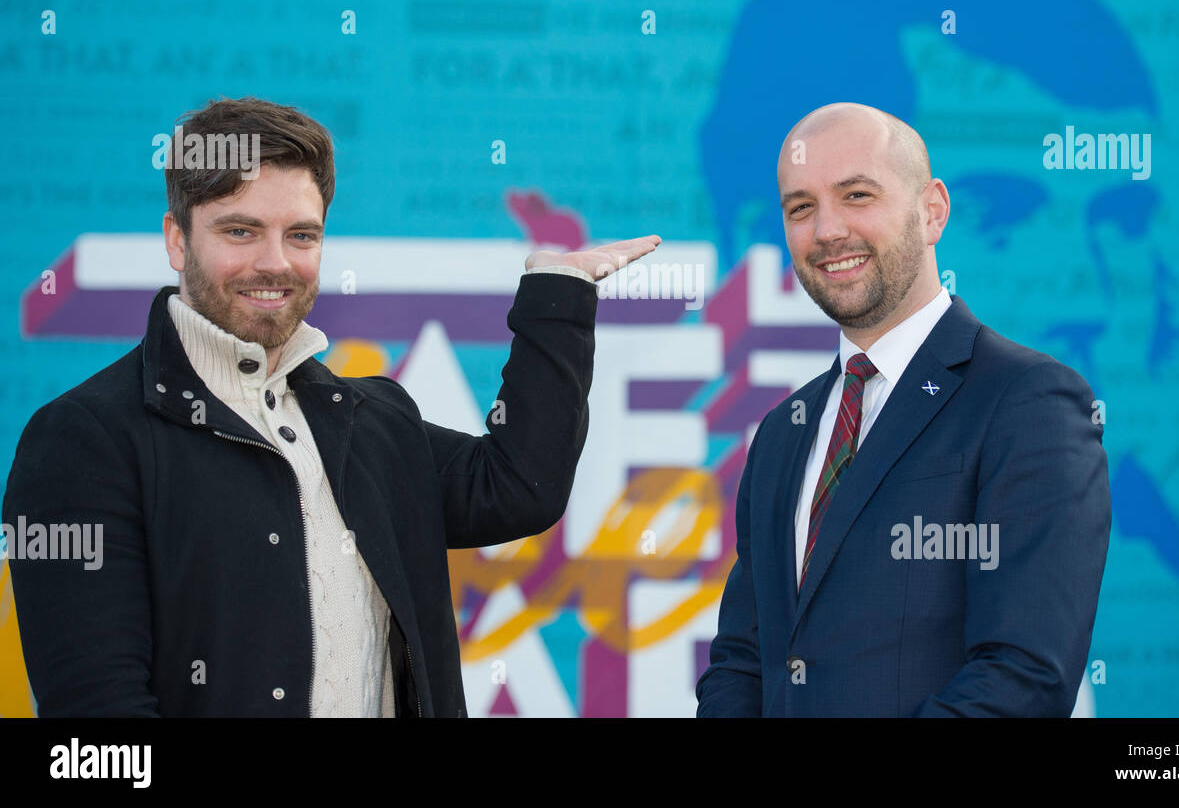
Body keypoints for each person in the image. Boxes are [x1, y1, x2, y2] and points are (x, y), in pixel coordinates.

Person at [2, 96, 659, 717]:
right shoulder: (84, 439)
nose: (275, 262)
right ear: (177, 240)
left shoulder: (371, 421)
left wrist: (557, 293)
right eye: (241, 230)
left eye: (302, 235)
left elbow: (519, 487)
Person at [695, 102, 1110, 717]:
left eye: (857, 195)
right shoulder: (785, 432)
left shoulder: (1028, 402)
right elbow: (742, 661)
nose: (827, 230)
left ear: (932, 210)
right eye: (801, 208)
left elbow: (1024, 676)